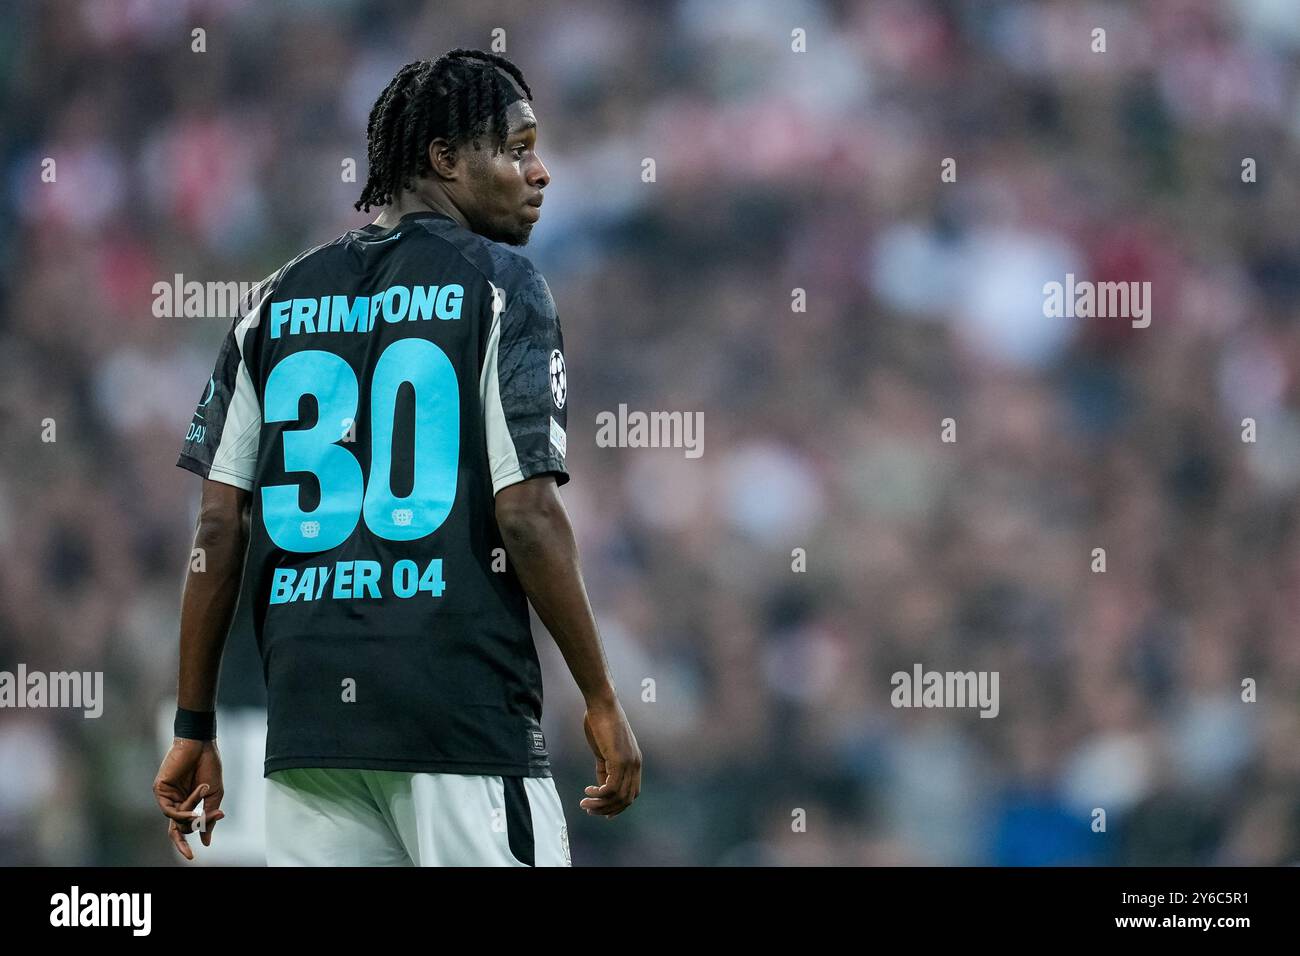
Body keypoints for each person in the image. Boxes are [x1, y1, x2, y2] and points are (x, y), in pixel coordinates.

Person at [152, 48, 641, 866]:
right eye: (517, 149)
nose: (541, 172)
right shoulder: (503, 286)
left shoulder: (275, 297)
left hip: (310, 726)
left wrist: (193, 723)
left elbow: (218, 525)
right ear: (444, 159)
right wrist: (600, 696)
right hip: (458, 715)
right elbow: (526, 516)